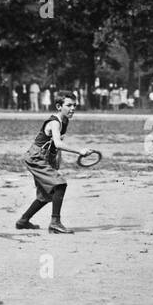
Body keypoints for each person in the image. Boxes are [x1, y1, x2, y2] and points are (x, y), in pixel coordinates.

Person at [16, 92, 92, 234]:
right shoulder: (55, 122)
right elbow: (58, 143)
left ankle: (23, 221)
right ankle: (55, 223)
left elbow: (55, 145)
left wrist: (55, 162)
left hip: (42, 158)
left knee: (45, 195)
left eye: (74, 105)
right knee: (60, 184)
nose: (73, 108)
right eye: (68, 105)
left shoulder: (65, 121)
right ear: (58, 106)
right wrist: (79, 151)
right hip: (36, 158)